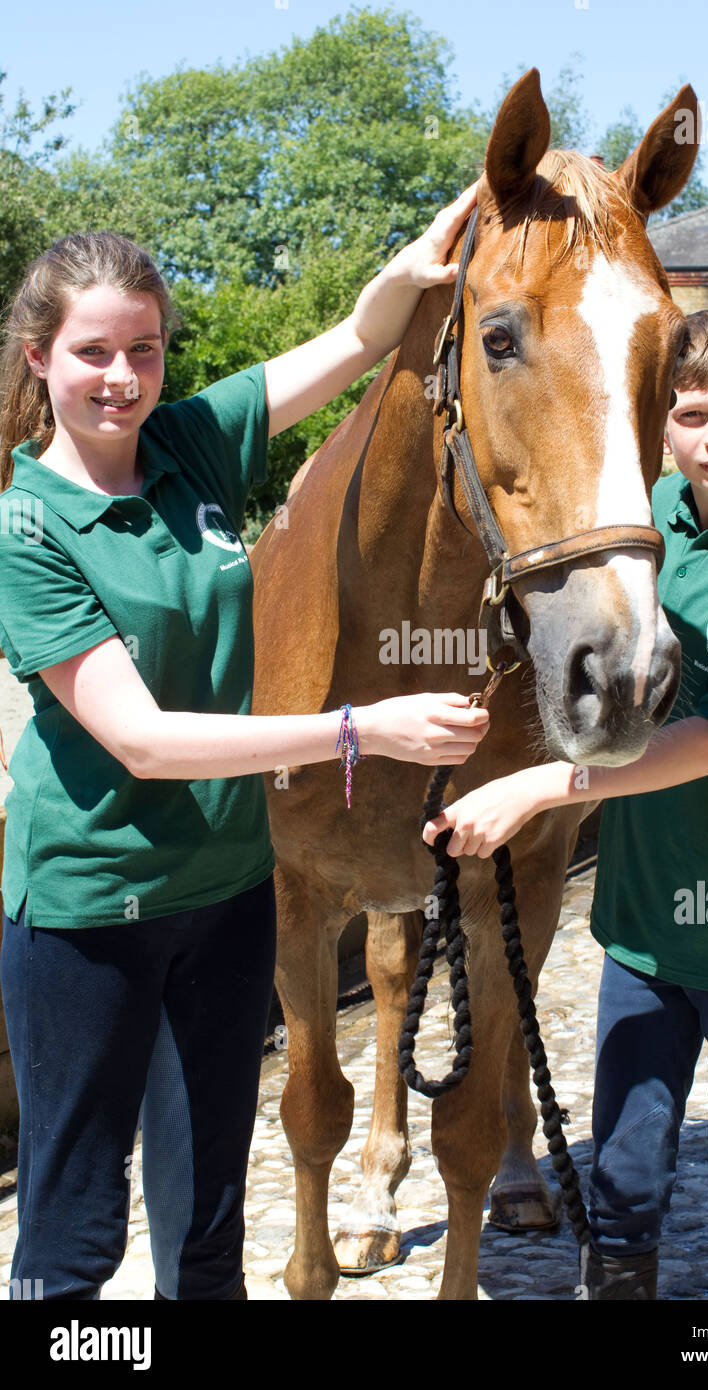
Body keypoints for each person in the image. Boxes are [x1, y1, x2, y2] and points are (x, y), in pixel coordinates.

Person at [0, 180, 489, 1302]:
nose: (123, 377)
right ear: (38, 358)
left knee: (209, 1229)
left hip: (226, 902)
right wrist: (361, 727)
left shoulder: (189, 448)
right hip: (95, 912)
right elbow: (143, 739)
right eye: (92, 353)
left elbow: (351, 347)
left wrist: (415, 267)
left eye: (146, 349)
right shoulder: (27, 527)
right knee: (74, 1241)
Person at [423, 310, 708, 1301]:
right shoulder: (645, 521)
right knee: (618, 1184)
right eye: (691, 412)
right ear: (660, 426)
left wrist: (540, 783)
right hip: (640, 932)